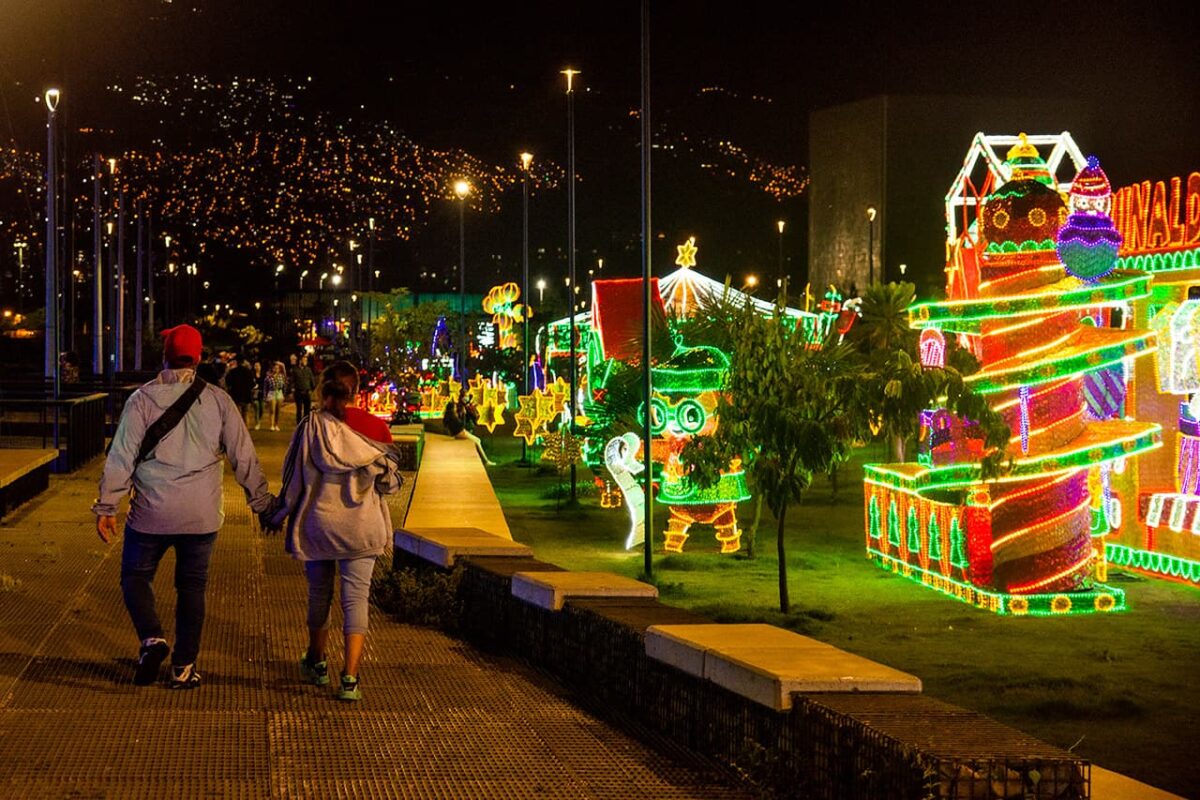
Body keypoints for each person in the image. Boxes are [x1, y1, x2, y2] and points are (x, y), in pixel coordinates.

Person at [92, 324, 274, 689]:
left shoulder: (142, 400)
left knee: (135, 577)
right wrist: (261, 502)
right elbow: (243, 455)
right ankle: (184, 668)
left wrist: (107, 506)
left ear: (165, 356)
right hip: (201, 515)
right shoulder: (218, 400)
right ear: (199, 356)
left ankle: (152, 639)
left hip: (151, 513)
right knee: (192, 588)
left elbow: (122, 455)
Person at [264, 361, 401, 702]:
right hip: (362, 528)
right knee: (356, 600)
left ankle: (317, 661)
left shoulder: (310, 427)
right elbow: (389, 483)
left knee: (319, 595)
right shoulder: (376, 431)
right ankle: (350, 678)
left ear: (322, 390)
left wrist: (278, 513)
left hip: (319, 525)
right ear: (357, 390)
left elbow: (293, 479)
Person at [443, 389, 495, 466]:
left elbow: (473, 417)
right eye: (465, 396)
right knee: (477, 441)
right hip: (461, 432)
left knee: (477, 441)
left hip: (462, 431)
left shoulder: (452, 415)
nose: (455, 409)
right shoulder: (455, 415)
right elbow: (461, 425)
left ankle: (484, 460)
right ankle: (486, 461)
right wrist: (463, 414)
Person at [224, 355, 257, 428]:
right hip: (246, 396)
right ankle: (246, 432)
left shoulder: (232, 371)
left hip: (236, 395)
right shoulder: (248, 371)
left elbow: (228, 382)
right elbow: (252, 384)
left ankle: (238, 432)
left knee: (237, 415)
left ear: (236, 362)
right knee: (246, 414)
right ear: (243, 361)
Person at [292, 354, 316, 425]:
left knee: (307, 409)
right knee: (299, 409)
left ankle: (306, 423)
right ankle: (299, 424)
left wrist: (313, 389)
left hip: (307, 392)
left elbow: (312, 380)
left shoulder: (308, 370)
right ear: (300, 361)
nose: (305, 361)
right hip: (298, 392)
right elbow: (292, 380)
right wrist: (292, 389)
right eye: (304, 360)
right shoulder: (295, 370)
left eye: (306, 360)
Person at [263, 361, 287, 431]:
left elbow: (284, 386)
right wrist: (265, 396)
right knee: (272, 410)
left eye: (277, 368)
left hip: (279, 392)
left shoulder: (281, 376)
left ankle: (276, 424)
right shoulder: (268, 377)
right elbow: (265, 387)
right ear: (272, 369)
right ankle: (271, 425)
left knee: (278, 410)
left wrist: (284, 394)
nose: (276, 369)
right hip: (272, 392)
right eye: (275, 368)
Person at [252, 360, 265, 430]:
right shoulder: (252, 375)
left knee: (262, 408)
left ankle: (259, 420)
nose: (257, 367)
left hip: (262, 393)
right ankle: (257, 423)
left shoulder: (263, 375)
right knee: (256, 408)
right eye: (255, 366)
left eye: (258, 366)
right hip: (255, 394)